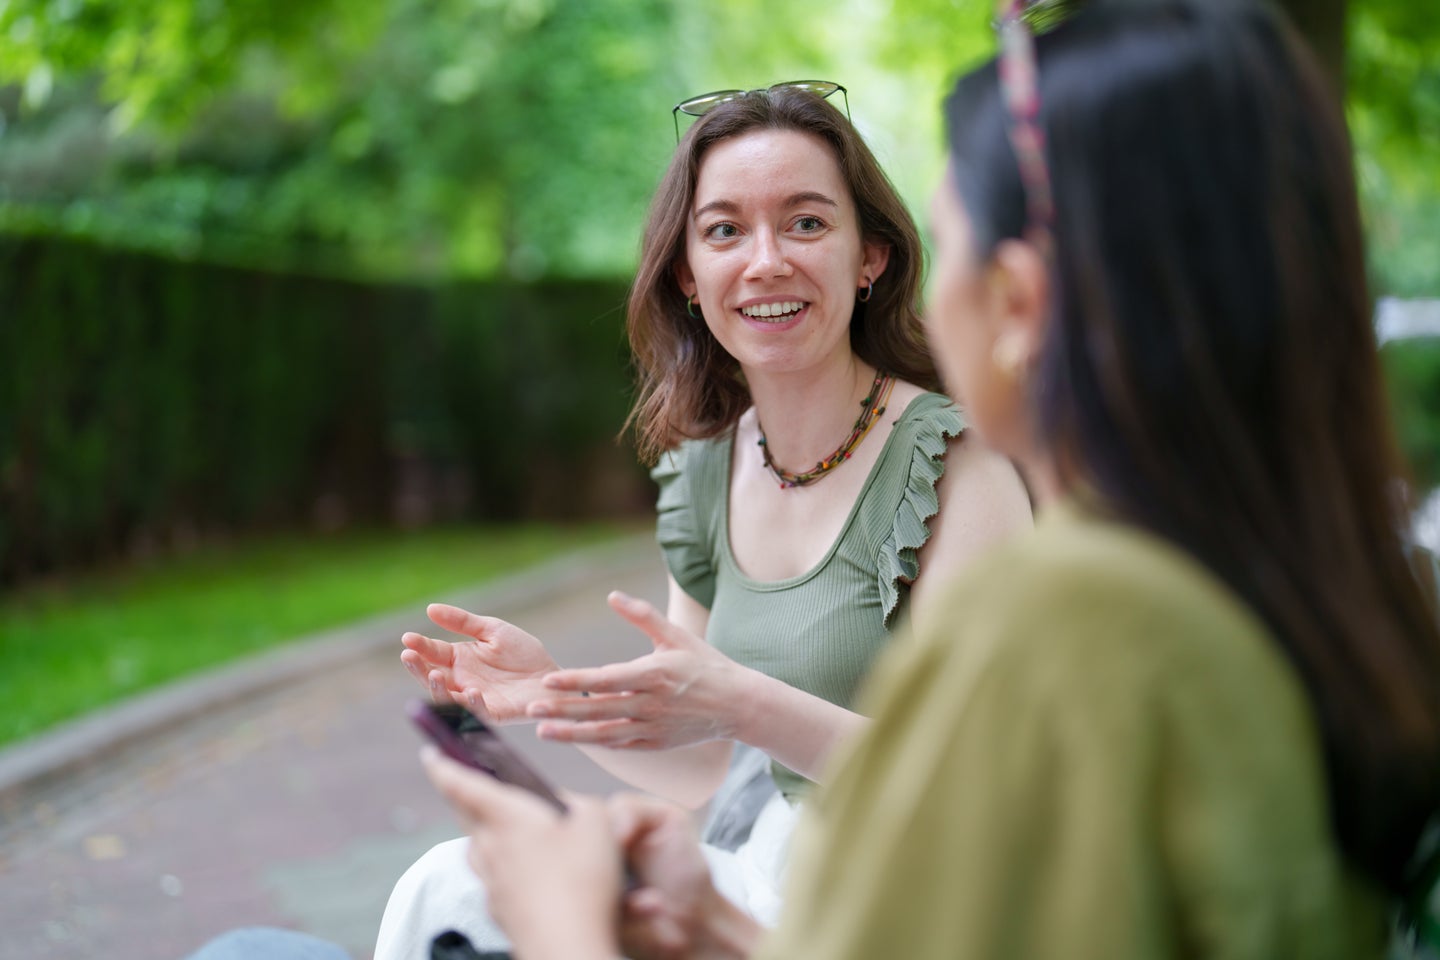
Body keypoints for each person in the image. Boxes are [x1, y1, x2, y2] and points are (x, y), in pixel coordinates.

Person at [418, 1, 1440, 958]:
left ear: (1016, 300)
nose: (766, 262)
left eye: (945, 243)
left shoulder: (1076, 609)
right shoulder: (1284, 581)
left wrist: (565, 917)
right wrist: (704, 900)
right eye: (724, 229)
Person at [375, 81, 1032, 957]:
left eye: (806, 223)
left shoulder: (960, 466)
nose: (765, 262)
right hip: (756, 873)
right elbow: (710, 771)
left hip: (907, 908)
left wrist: (743, 703)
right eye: (724, 231)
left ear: (869, 257)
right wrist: (553, 695)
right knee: (452, 882)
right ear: (688, 276)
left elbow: (978, 785)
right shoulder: (706, 471)